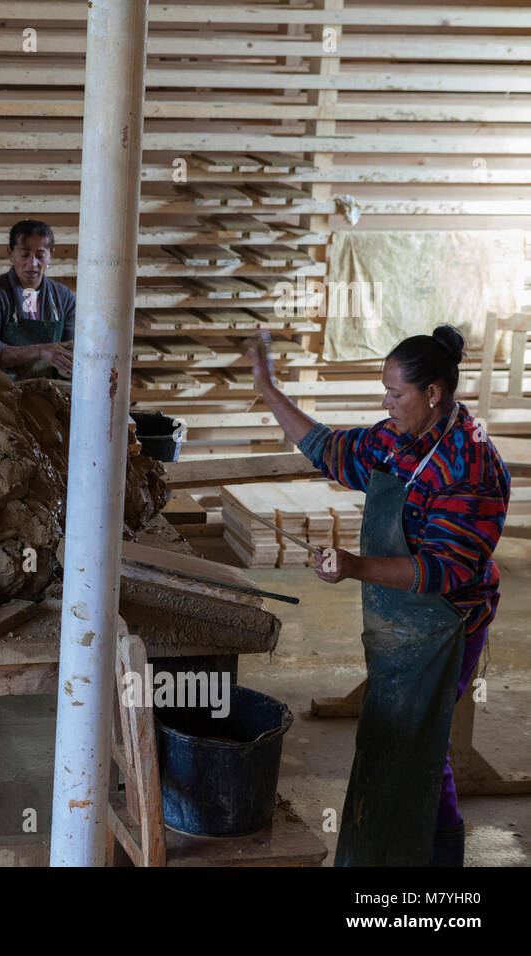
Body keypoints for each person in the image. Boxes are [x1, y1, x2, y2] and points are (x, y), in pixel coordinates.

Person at [245, 326, 509, 867]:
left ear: (432, 393)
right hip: (398, 621)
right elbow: (331, 449)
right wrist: (268, 388)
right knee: (396, 743)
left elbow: (445, 569)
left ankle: (440, 866)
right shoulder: (396, 438)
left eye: (394, 392)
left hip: (448, 622)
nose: (384, 403)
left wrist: (355, 566)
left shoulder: (471, 462)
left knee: (422, 748)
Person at [0, 219, 76, 380]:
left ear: (51, 256)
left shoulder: (64, 297)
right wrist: (40, 351)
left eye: (40, 255)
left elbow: (72, 349)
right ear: (10, 253)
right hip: (1, 392)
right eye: (25, 254)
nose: (32, 263)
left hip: (50, 391)